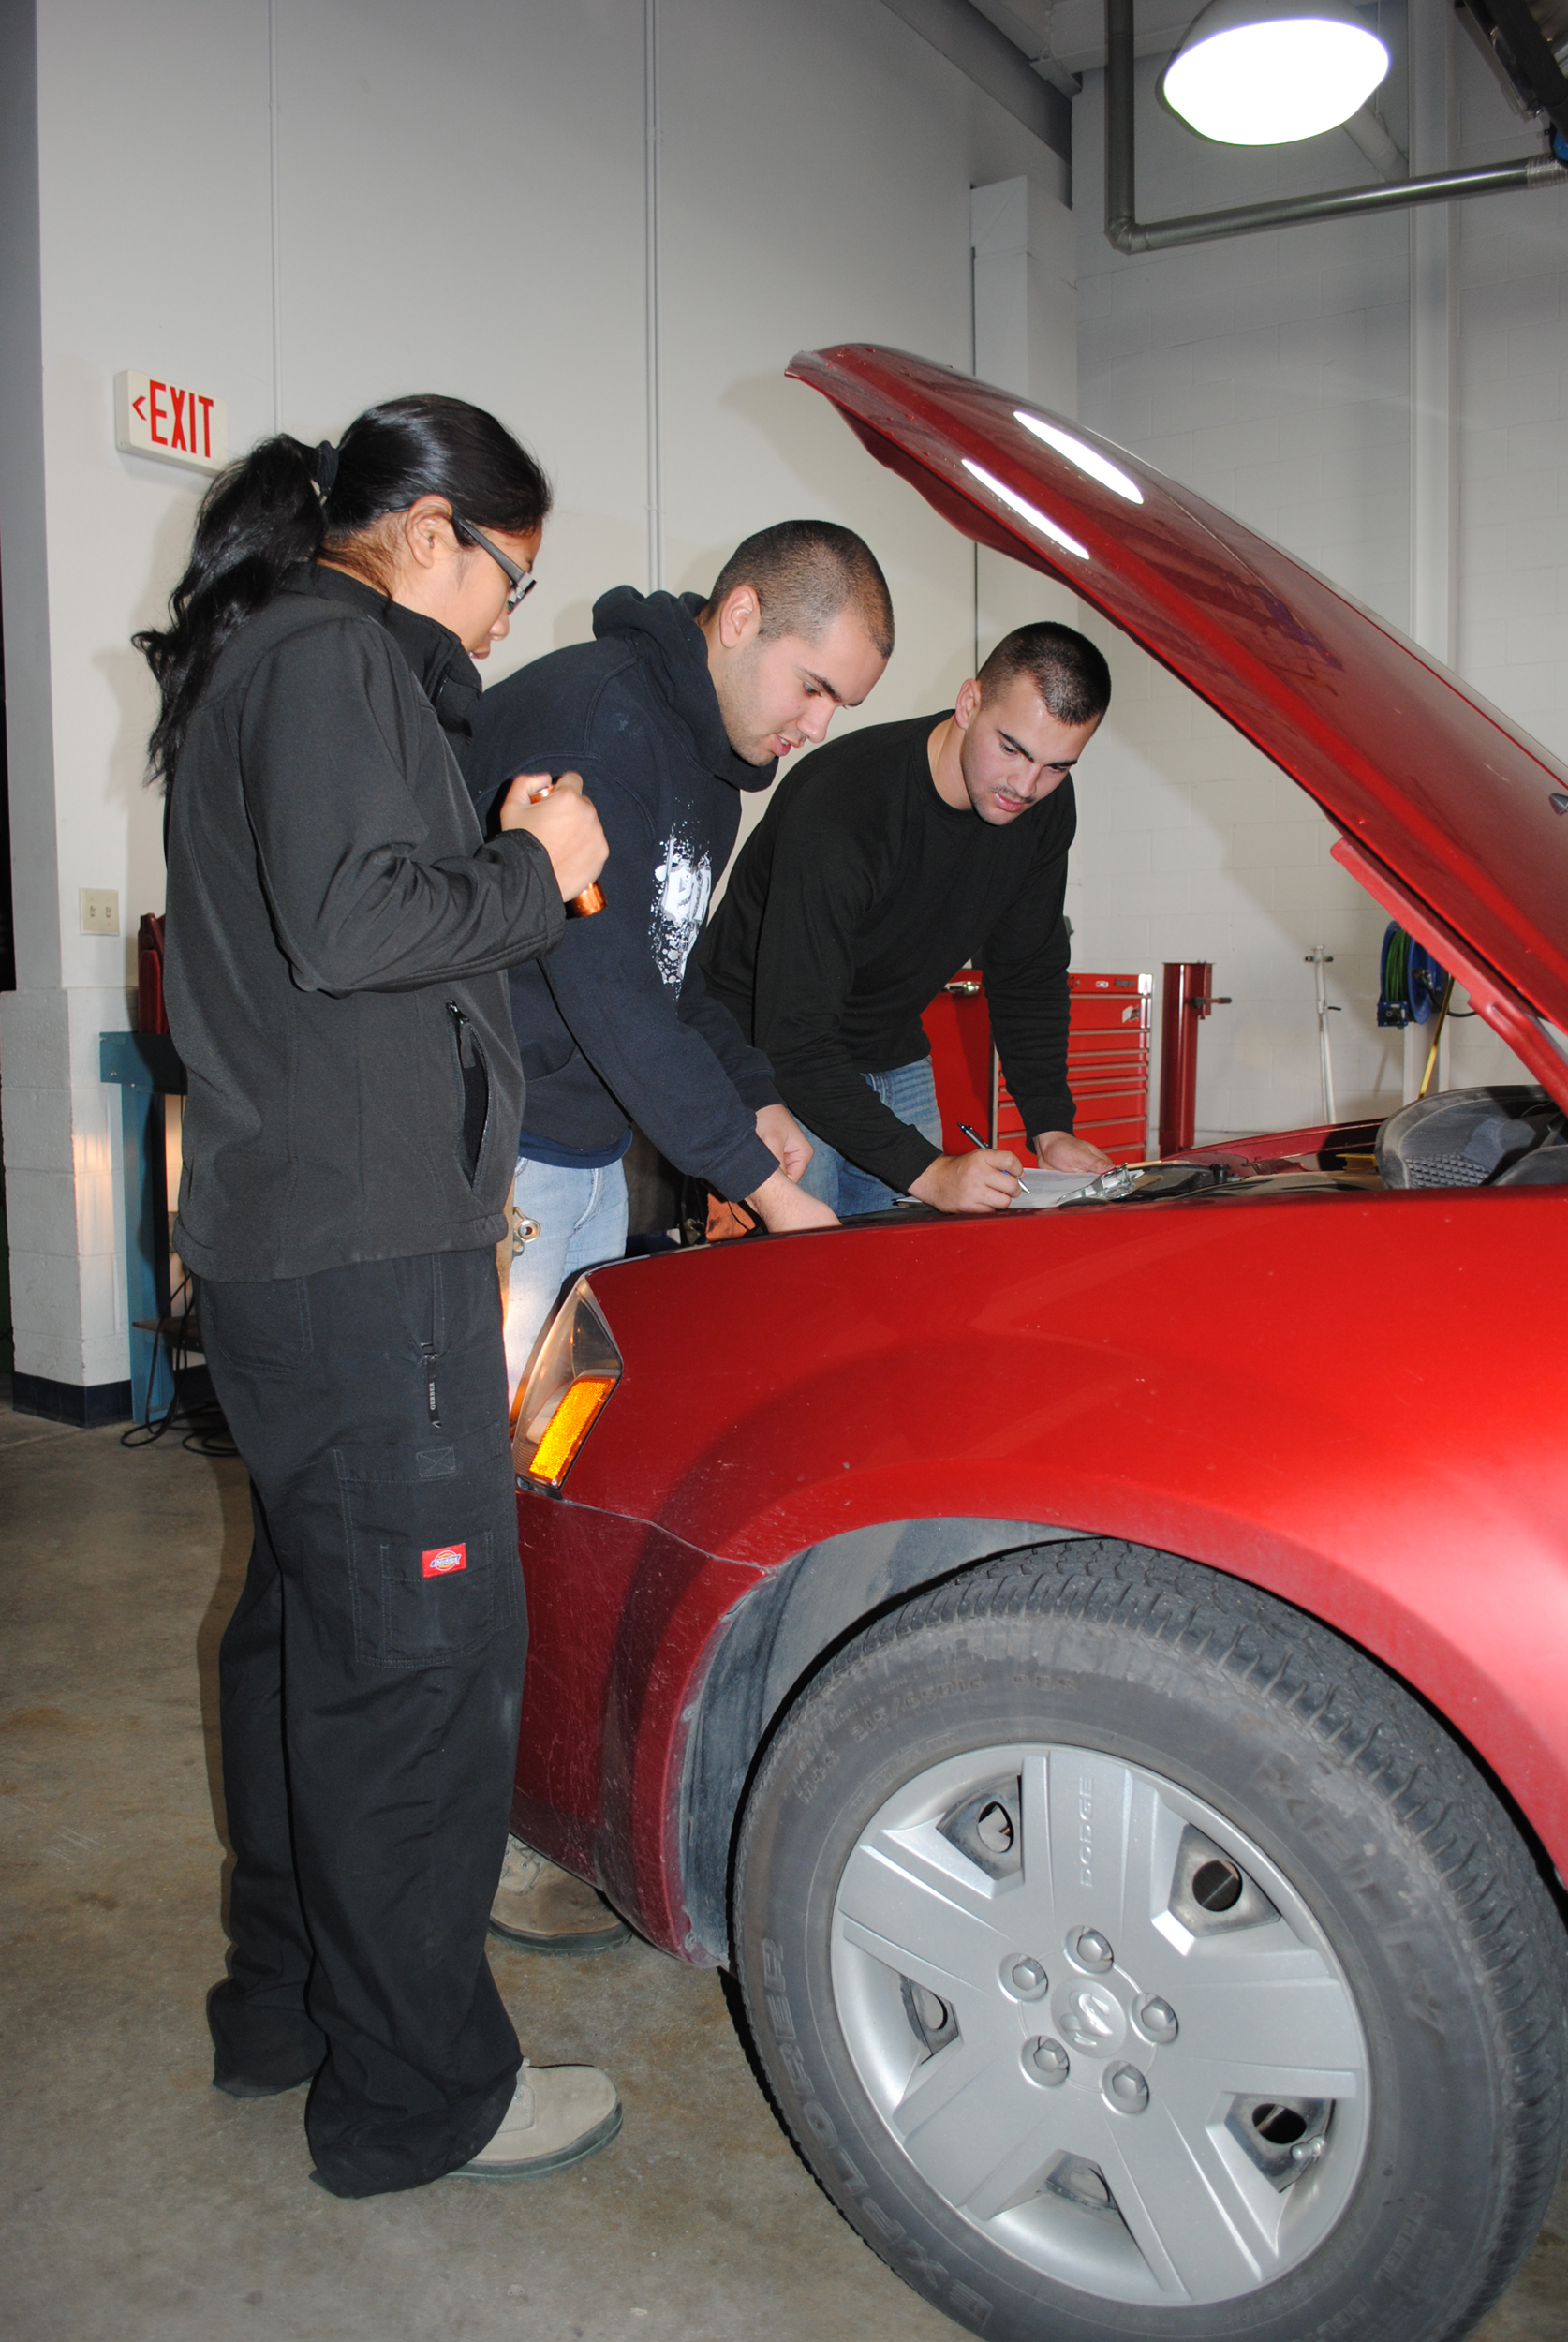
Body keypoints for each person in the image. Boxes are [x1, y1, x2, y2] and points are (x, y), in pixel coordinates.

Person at [140, 395, 616, 2199]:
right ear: (428, 534)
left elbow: (334, 934)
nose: (501, 617)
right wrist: (540, 869)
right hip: (364, 1276)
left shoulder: (265, 659)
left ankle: (283, 2013)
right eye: (508, 578)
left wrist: (495, 867)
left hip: (295, 1259)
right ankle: (416, 2099)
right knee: (418, 1677)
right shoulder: (337, 654)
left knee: (307, 1652)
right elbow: (356, 927)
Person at [462, 520, 891, 1954]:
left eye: (840, 705)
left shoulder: (711, 772)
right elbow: (601, 990)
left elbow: (677, 979)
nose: (814, 724)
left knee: (548, 1494)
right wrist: (764, 1189)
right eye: (812, 685)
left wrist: (754, 1096)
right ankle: (461, 1846)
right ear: (742, 614)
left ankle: (525, 1808)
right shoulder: (600, 716)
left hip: (585, 1169)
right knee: (474, 1514)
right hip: (500, 1163)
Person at [697, 622, 1117, 1215]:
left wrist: (1050, 1124)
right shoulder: (845, 802)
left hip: (892, 1052)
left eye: (1057, 767)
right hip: (765, 1059)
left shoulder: (1042, 811)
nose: (1025, 787)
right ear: (969, 703)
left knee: (907, 1265)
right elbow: (795, 1039)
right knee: (807, 1265)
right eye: (1012, 749)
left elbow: (1027, 968)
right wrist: (933, 1173)